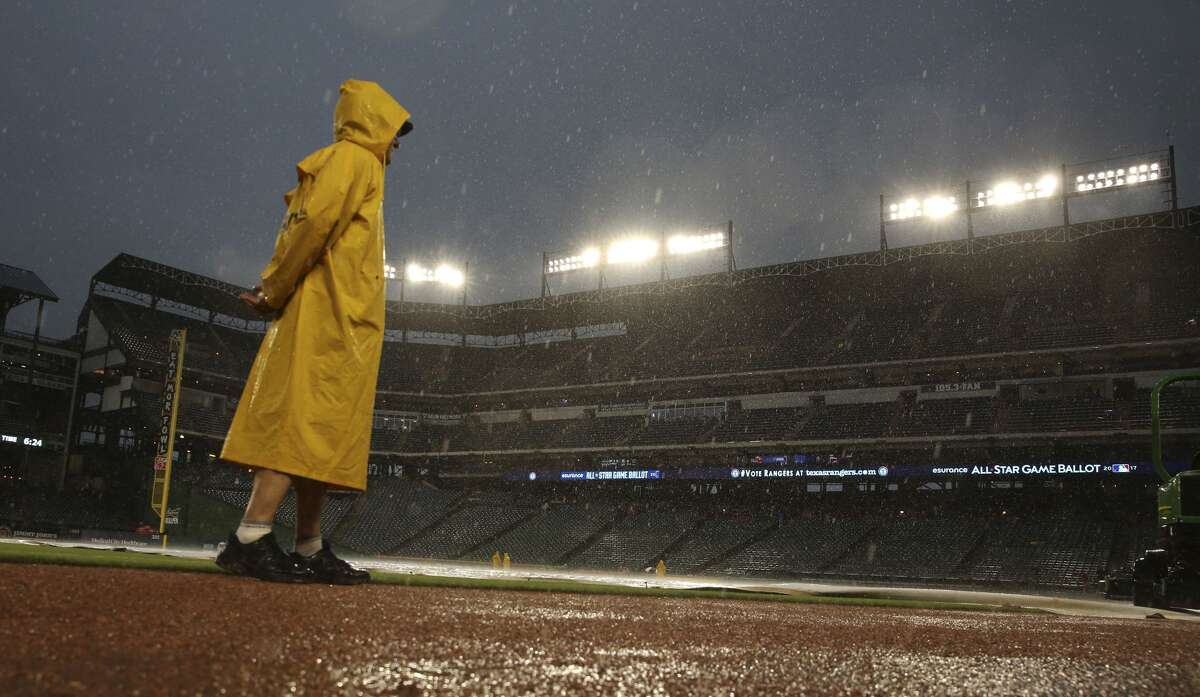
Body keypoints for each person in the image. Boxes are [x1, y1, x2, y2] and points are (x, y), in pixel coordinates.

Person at [215, 79, 412, 584]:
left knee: (319, 435)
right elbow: (311, 227)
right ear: (375, 122)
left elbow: (311, 225)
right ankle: (251, 536)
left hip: (341, 315)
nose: (396, 143)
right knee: (299, 424)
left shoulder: (355, 163)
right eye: (393, 131)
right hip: (326, 313)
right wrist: (273, 288)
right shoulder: (354, 158)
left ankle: (308, 544)